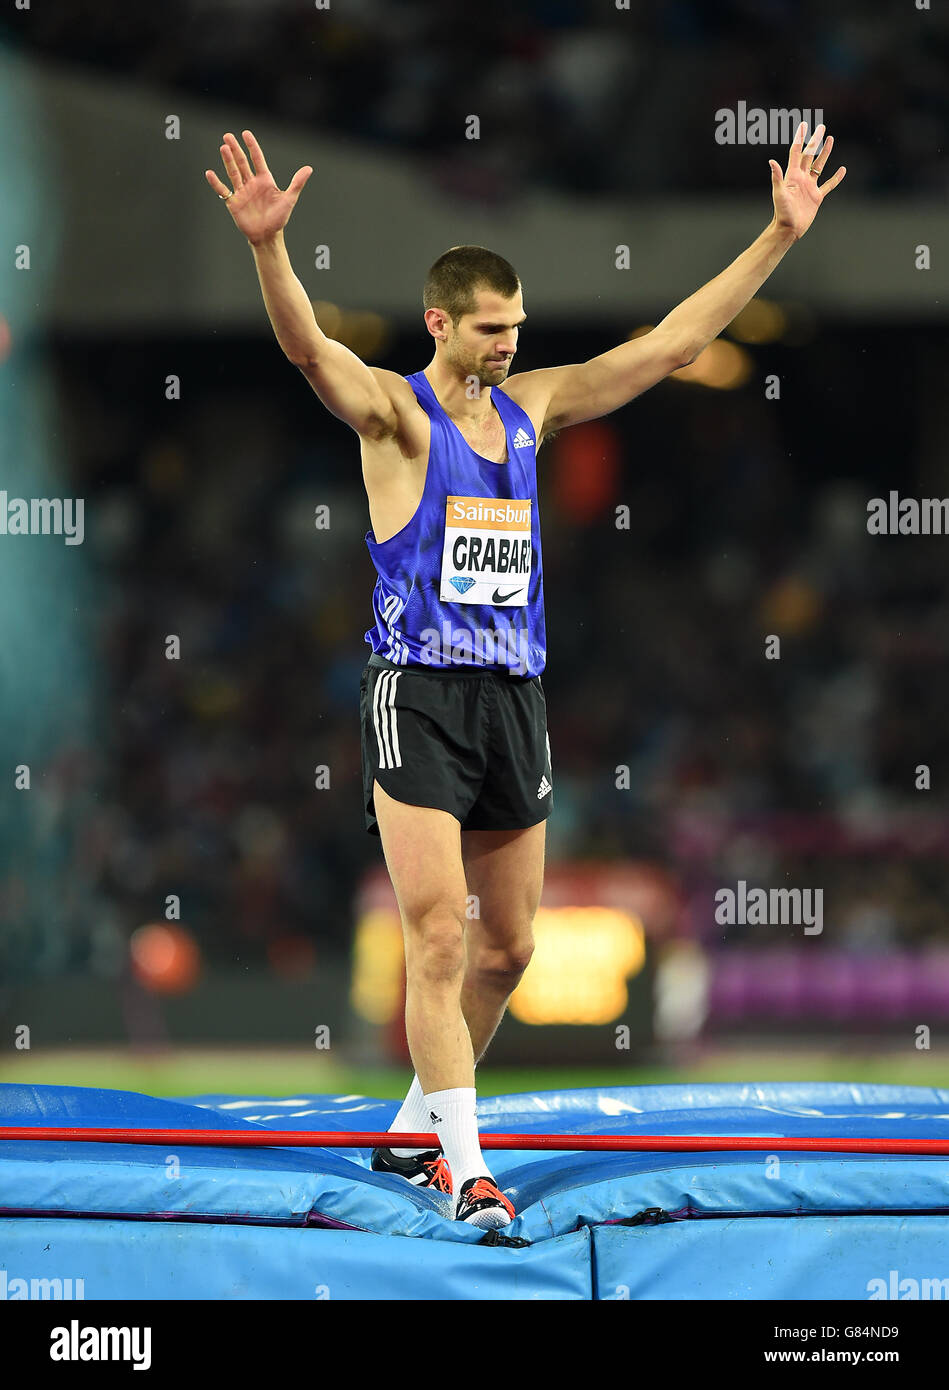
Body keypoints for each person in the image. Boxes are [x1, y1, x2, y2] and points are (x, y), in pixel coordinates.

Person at [206, 124, 844, 1228]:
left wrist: (777, 236)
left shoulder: (531, 409)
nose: (508, 346)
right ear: (440, 322)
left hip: (513, 698)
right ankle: (470, 1169)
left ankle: (412, 1132)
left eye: (518, 331)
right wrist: (270, 250)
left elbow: (671, 347)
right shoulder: (396, 417)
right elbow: (311, 351)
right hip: (416, 694)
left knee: (510, 945)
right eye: (491, 330)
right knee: (438, 938)